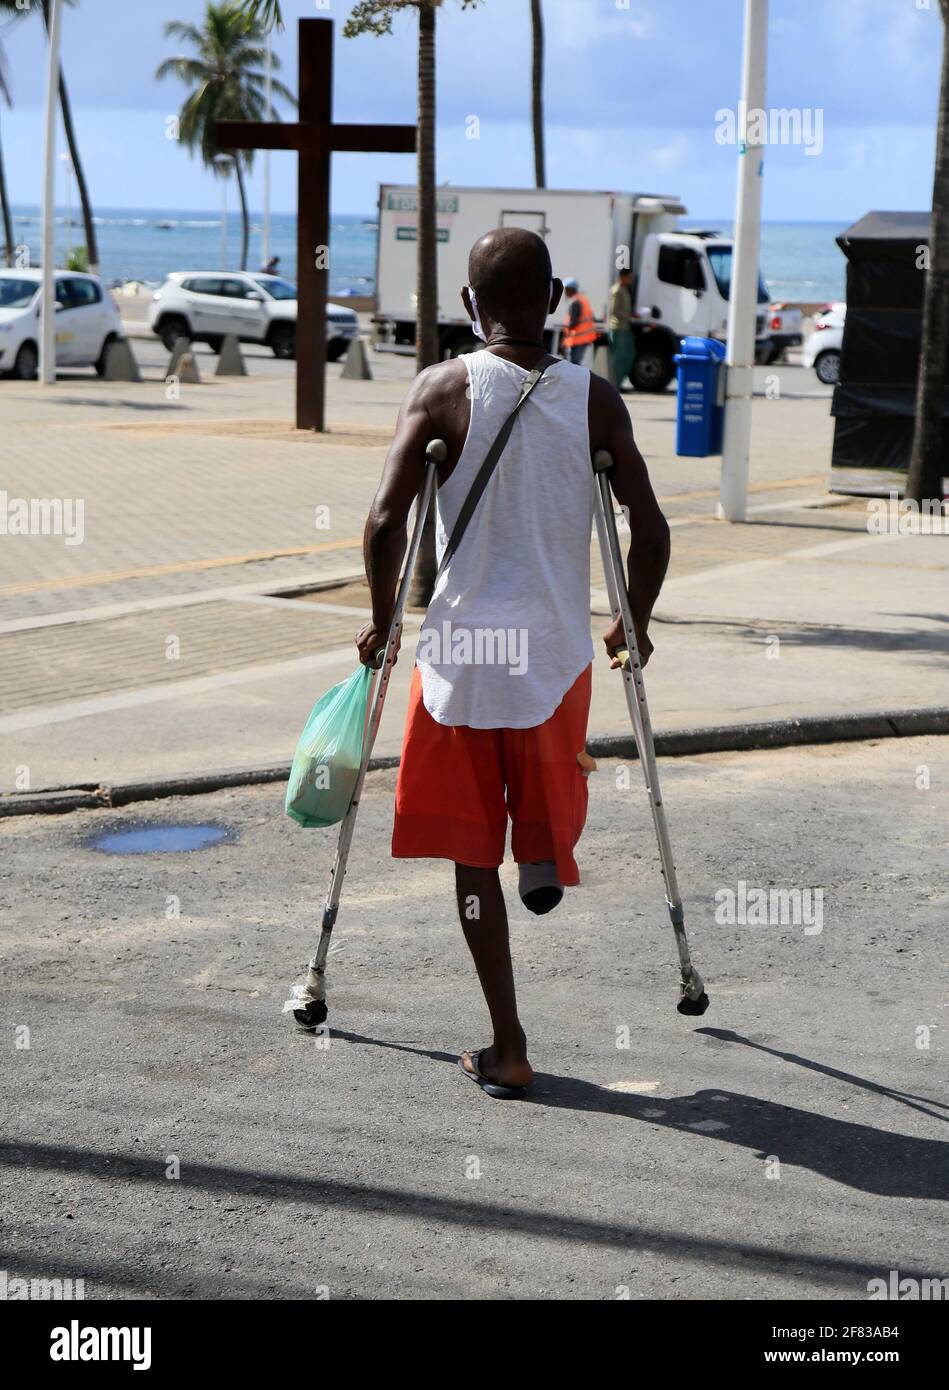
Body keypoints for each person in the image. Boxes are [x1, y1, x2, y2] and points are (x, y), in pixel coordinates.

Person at [356, 228, 670, 1100]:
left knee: (468, 858)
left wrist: (381, 621)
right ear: (559, 296)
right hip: (555, 655)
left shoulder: (440, 389)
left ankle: (509, 1045)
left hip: (460, 659)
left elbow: (385, 522)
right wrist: (632, 622)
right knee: (540, 776)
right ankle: (539, 849)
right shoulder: (596, 398)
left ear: (468, 306)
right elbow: (649, 526)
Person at [608, 267, 636, 391]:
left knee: (628, 356)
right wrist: (630, 315)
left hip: (625, 327)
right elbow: (615, 311)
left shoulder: (625, 289)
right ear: (623, 277)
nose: (631, 279)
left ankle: (617, 383)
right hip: (618, 328)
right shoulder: (617, 290)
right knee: (619, 358)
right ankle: (614, 384)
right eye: (629, 277)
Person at [560, 276, 598, 365]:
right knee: (576, 364)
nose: (565, 292)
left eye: (566, 289)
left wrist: (564, 339)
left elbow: (573, 322)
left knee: (574, 364)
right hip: (584, 338)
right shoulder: (583, 299)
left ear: (570, 289)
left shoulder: (575, 302)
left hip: (578, 339)